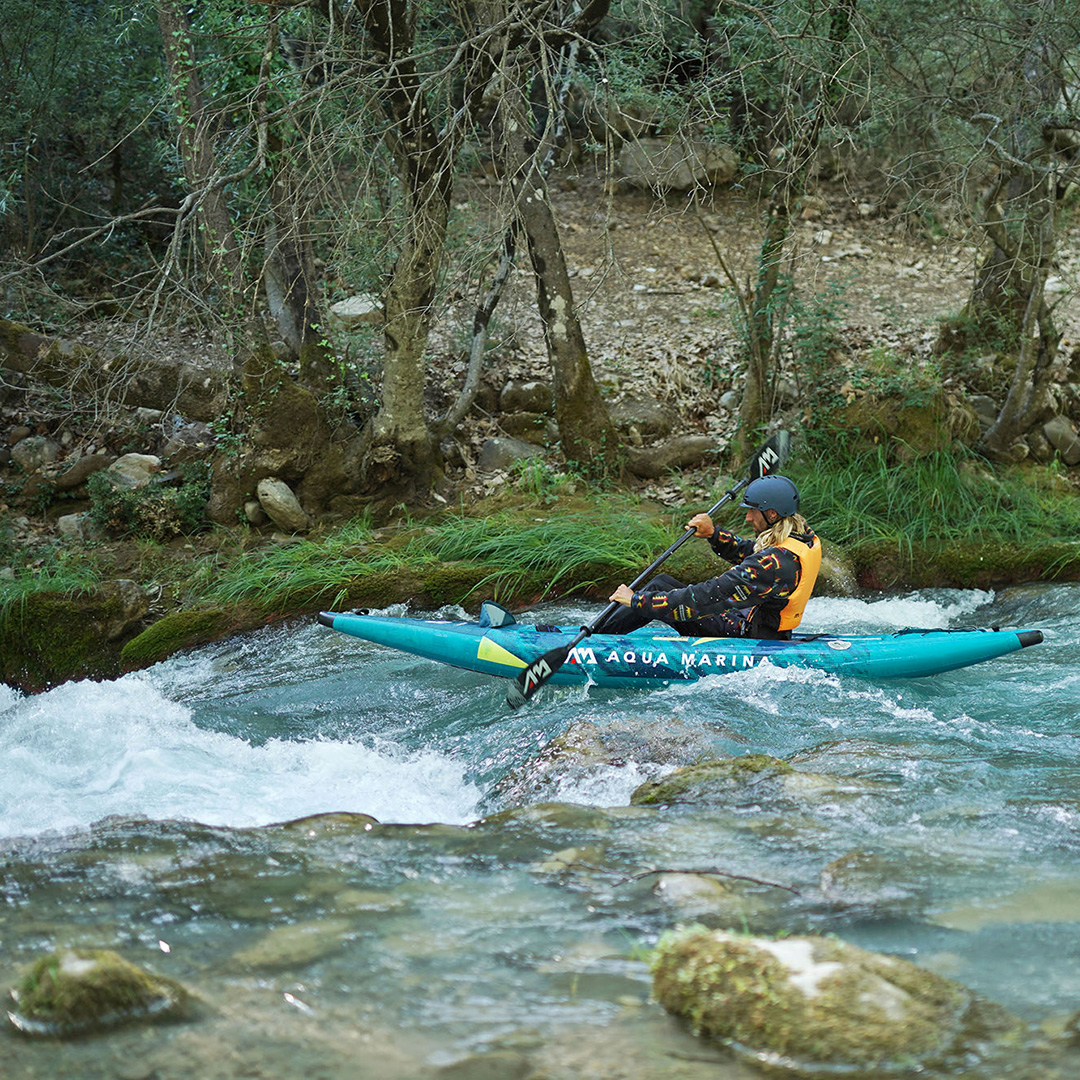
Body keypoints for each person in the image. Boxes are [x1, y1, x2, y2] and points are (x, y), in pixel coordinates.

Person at [601, 475, 821, 640]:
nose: (747, 517)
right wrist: (714, 534)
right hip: (767, 628)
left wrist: (636, 601)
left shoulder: (771, 566)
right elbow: (750, 551)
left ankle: (597, 639)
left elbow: (704, 598)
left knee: (656, 589)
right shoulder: (802, 537)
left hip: (747, 635)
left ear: (772, 513)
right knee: (662, 583)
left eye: (753, 510)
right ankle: (601, 631)